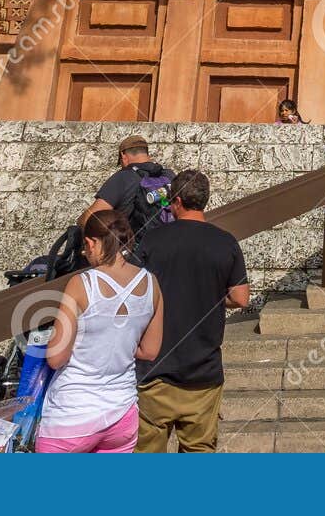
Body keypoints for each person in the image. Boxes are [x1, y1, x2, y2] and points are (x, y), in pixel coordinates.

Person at [134, 170, 249, 453]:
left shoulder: (153, 241)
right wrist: (210, 296)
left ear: (176, 201)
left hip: (155, 371)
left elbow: (134, 292)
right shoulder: (225, 242)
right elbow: (241, 298)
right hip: (203, 375)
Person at [36, 210, 163, 453]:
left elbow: (56, 357)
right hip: (122, 413)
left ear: (92, 242)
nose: (85, 254)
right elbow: (150, 350)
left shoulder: (82, 283)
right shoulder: (151, 283)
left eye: (85, 247)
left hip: (73, 413)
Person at [81, 134, 175, 245]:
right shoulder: (169, 175)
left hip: (135, 254)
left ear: (123, 156)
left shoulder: (123, 177)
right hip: (170, 248)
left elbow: (90, 217)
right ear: (146, 153)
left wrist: (80, 224)